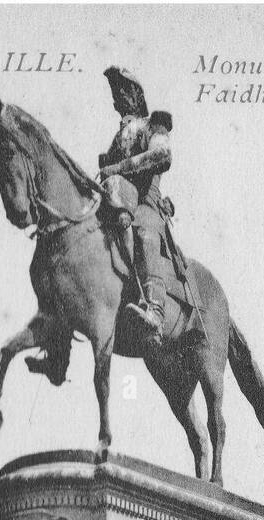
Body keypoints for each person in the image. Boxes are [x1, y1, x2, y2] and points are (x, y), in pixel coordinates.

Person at [97, 66, 172, 344]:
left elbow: (163, 155)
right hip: (118, 205)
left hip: (146, 204)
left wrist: (118, 167)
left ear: (137, 95)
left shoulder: (155, 124)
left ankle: (155, 312)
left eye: (124, 91)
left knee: (144, 232)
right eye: (115, 92)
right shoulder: (117, 139)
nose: (118, 97)